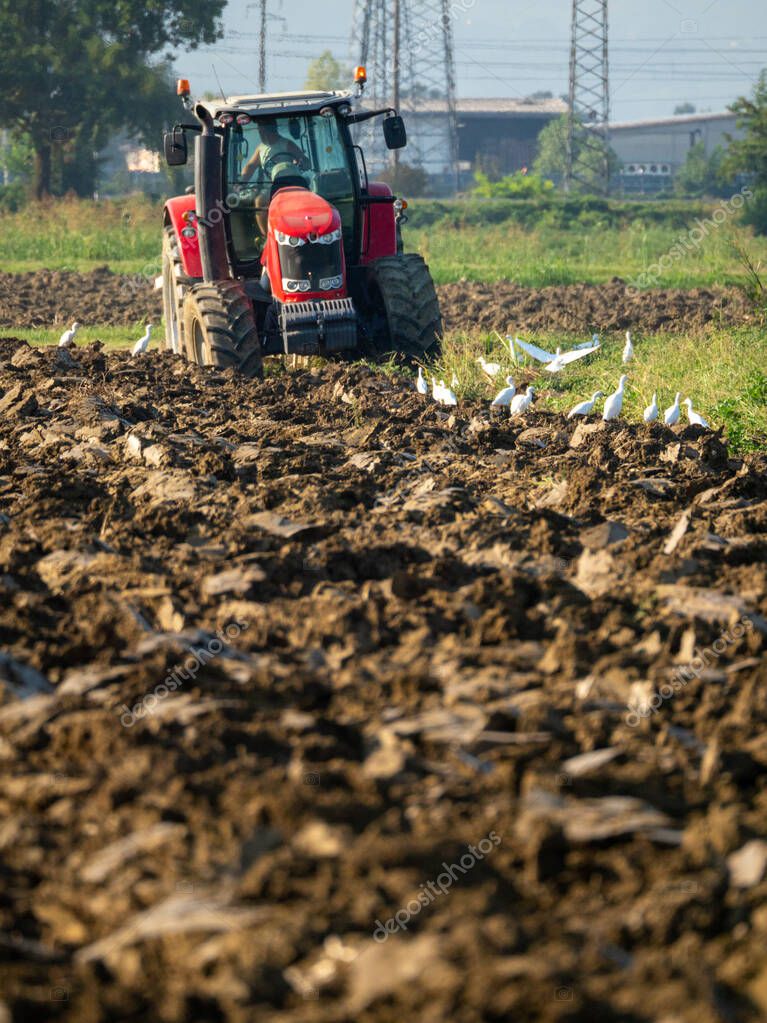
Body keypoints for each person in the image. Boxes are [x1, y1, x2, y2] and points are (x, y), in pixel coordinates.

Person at [241, 121, 308, 183]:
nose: (261, 135)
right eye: (260, 132)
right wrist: (241, 182)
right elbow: (250, 166)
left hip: (287, 183)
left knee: (262, 196)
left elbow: (304, 161)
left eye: (262, 132)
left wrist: (301, 163)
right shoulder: (260, 148)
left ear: (270, 130)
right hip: (269, 185)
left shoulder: (287, 144)